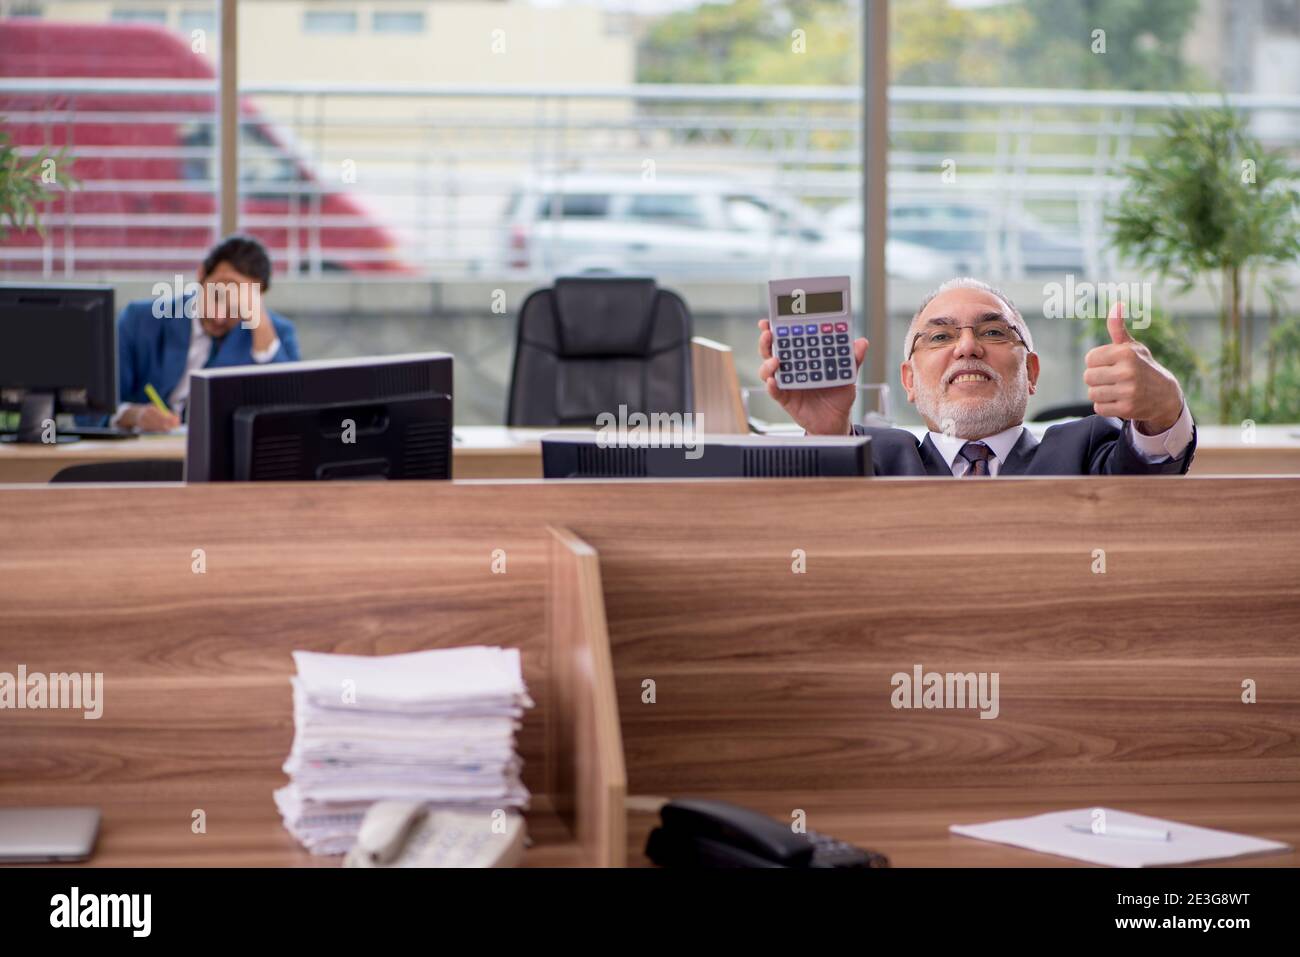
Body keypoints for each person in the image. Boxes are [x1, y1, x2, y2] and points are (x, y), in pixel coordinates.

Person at [757, 277, 1195, 476]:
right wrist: (827, 434)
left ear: (1031, 372)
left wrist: (1163, 409)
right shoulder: (871, 458)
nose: (967, 346)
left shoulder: (1086, 448)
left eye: (992, 331)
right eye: (940, 336)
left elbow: (1150, 465)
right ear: (908, 381)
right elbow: (824, 535)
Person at [113, 234, 301, 431]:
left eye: (235, 307)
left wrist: (261, 329)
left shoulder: (274, 334)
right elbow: (96, 407)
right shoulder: (139, 320)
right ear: (202, 274)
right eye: (217, 296)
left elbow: (290, 415)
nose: (219, 318)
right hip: (145, 452)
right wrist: (133, 415)